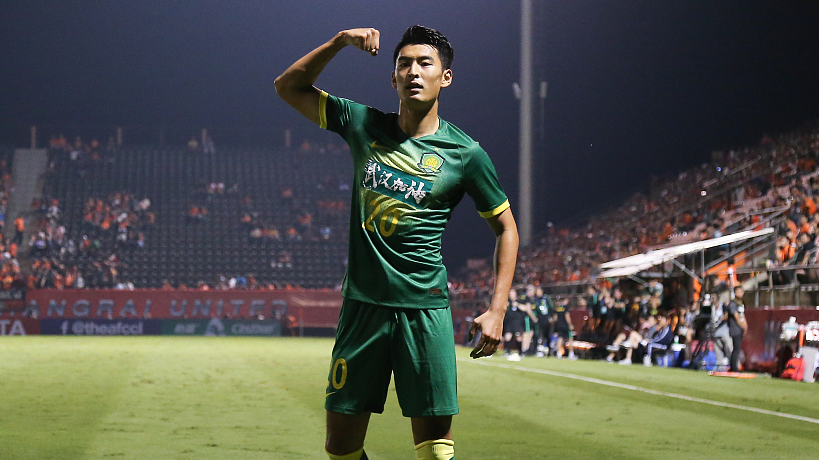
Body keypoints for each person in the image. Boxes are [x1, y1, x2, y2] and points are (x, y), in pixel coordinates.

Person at [275, 25, 519, 460]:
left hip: (424, 312)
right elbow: (288, 87)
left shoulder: (466, 154)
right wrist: (338, 42)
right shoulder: (363, 124)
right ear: (393, 78)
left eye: (425, 63)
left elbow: (507, 229)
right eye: (404, 64)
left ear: (445, 77)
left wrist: (497, 309)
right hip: (363, 308)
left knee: (435, 452)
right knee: (340, 449)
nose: (413, 71)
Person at [725, 286, 748, 371]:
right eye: (738, 292)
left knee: (737, 348)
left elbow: (742, 315)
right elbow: (737, 317)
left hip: (739, 328)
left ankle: (734, 367)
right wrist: (742, 325)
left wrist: (745, 325)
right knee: (736, 348)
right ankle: (734, 367)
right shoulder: (733, 304)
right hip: (735, 328)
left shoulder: (741, 303)